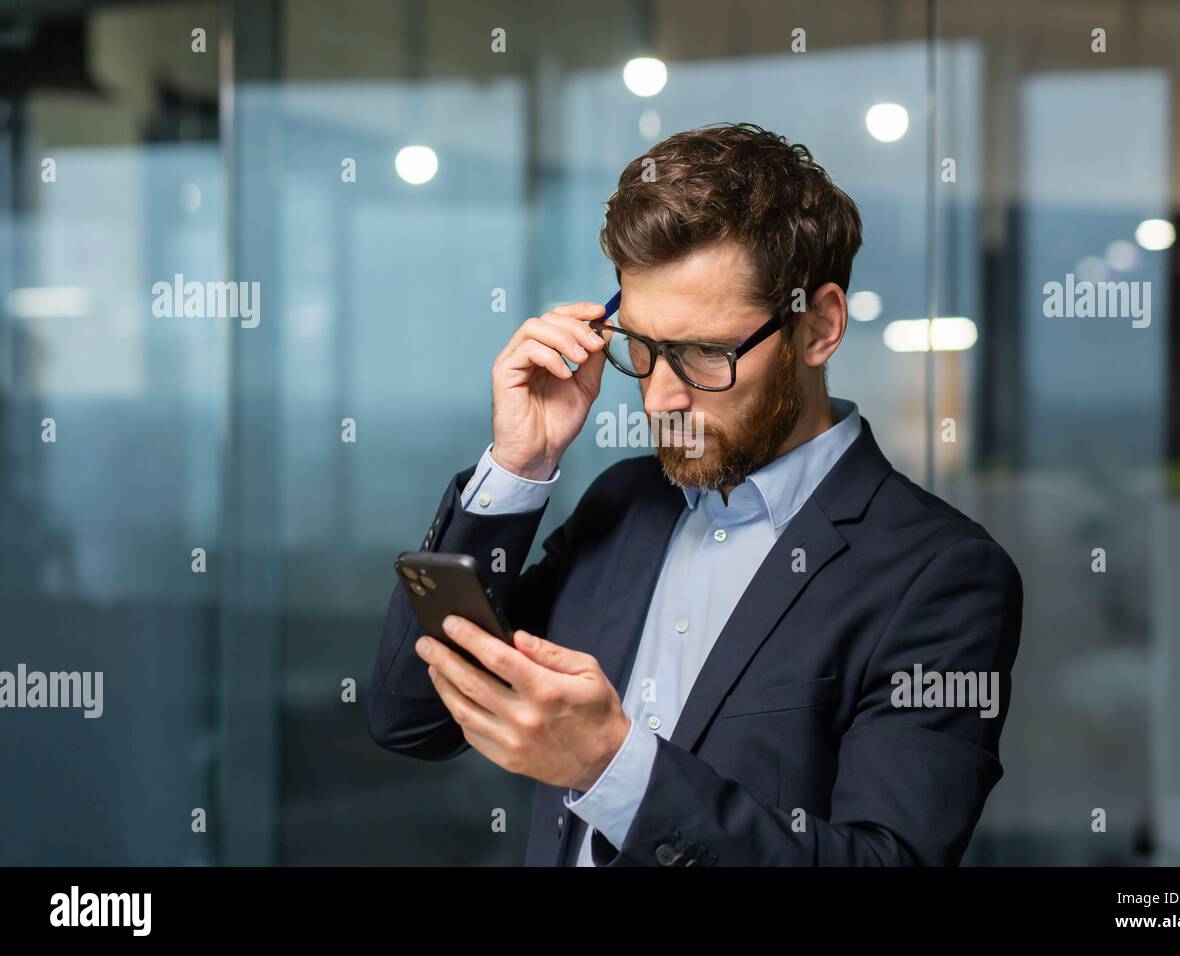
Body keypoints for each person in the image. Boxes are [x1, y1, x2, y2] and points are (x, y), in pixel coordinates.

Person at [367, 122, 1022, 866]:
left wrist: (611, 769)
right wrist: (521, 465)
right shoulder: (624, 503)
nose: (657, 401)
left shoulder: (942, 575)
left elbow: (887, 861)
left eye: (705, 354)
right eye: (641, 349)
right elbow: (411, 719)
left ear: (820, 327)